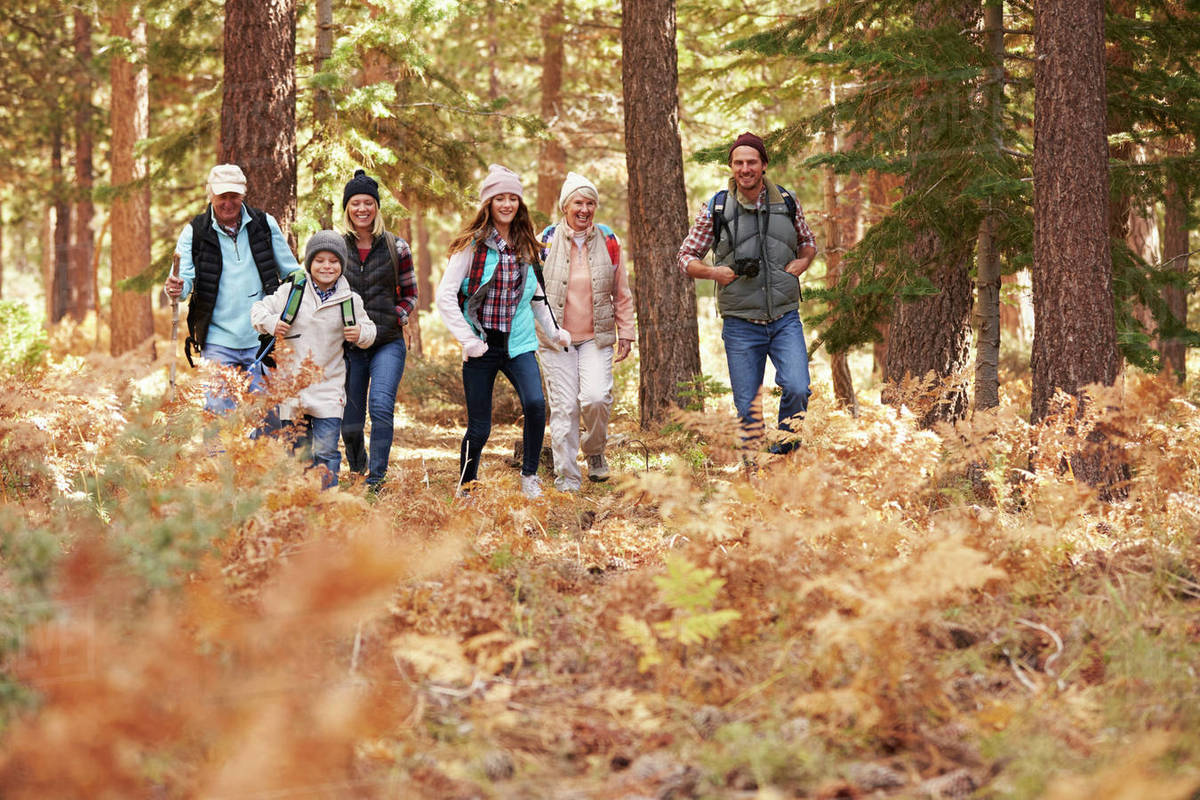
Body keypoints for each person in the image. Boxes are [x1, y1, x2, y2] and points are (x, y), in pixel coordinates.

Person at [435, 165, 571, 499]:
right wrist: (468, 340)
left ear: (519, 204)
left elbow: (536, 297)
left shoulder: (526, 243)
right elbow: (444, 297)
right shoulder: (472, 246)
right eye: (500, 198)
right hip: (482, 344)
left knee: (536, 404)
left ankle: (530, 477)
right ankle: (466, 485)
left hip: (518, 343)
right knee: (480, 427)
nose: (507, 204)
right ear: (488, 203)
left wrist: (554, 333)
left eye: (513, 198)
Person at [677, 132, 818, 453]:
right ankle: (755, 478)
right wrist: (713, 272)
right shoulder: (716, 207)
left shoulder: (787, 201)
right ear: (731, 166)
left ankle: (784, 457)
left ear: (764, 165)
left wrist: (803, 260)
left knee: (797, 388)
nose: (745, 168)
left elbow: (809, 241)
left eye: (751, 162)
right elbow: (685, 258)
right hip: (740, 324)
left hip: (785, 318)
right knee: (748, 409)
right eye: (738, 162)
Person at [164, 164, 301, 414]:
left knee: (266, 413)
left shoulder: (264, 224)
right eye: (222, 197)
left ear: (243, 195)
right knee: (218, 413)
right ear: (211, 195)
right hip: (217, 338)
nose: (228, 203)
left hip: (261, 337)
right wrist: (174, 287)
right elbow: (181, 284)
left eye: (234, 197)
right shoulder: (195, 231)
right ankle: (219, 456)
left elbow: (291, 272)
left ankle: (266, 455)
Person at [250, 231, 376, 488]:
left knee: (327, 450)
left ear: (342, 264)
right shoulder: (292, 292)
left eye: (333, 261)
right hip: (292, 387)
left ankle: (327, 501)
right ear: (309, 263)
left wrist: (361, 333)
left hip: (329, 387)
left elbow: (370, 331)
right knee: (296, 451)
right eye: (319, 260)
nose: (326, 266)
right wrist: (272, 322)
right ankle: (300, 501)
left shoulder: (350, 301)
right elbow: (258, 310)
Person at [536, 172, 636, 491]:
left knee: (595, 398)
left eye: (590, 203)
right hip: (555, 340)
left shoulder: (608, 240)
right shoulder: (545, 240)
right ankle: (567, 478)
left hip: (597, 336)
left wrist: (627, 332)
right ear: (566, 206)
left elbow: (621, 292)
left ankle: (594, 452)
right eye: (578, 202)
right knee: (565, 407)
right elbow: (529, 292)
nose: (584, 209)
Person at [339, 169, 418, 492]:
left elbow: (411, 293)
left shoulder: (396, 246)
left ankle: (376, 479)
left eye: (368, 203)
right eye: (355, 203)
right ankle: (358, 469)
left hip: (387, 342)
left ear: (376, 207)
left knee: (382, 406)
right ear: (347, 208)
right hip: (350, 346)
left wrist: (395, 316)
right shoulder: (336, 247)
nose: (362, 209)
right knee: (350, 421)